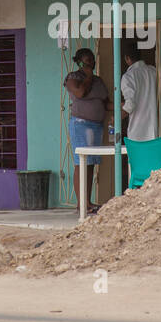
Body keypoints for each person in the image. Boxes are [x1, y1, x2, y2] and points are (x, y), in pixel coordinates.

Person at [63, 47, 111, 214]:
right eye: (87, 60)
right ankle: (81, 204)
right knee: (80, 163)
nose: (91, 62)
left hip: (97, 126)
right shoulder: (73, 78)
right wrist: (88, 75)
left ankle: (87, 202)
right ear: (80, 62)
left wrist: (124, 108)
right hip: (81, 125)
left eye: (92, 59)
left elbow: (106, 103)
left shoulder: (98, 80)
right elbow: (80, 92)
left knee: (90, 164)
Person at [119, 41, 158, 142]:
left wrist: (117, 119)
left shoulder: (128, 77)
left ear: (127, 58)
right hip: (155, 128)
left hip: (138, 131)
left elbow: (130, 104)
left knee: (137, 157)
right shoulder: (153, 71)